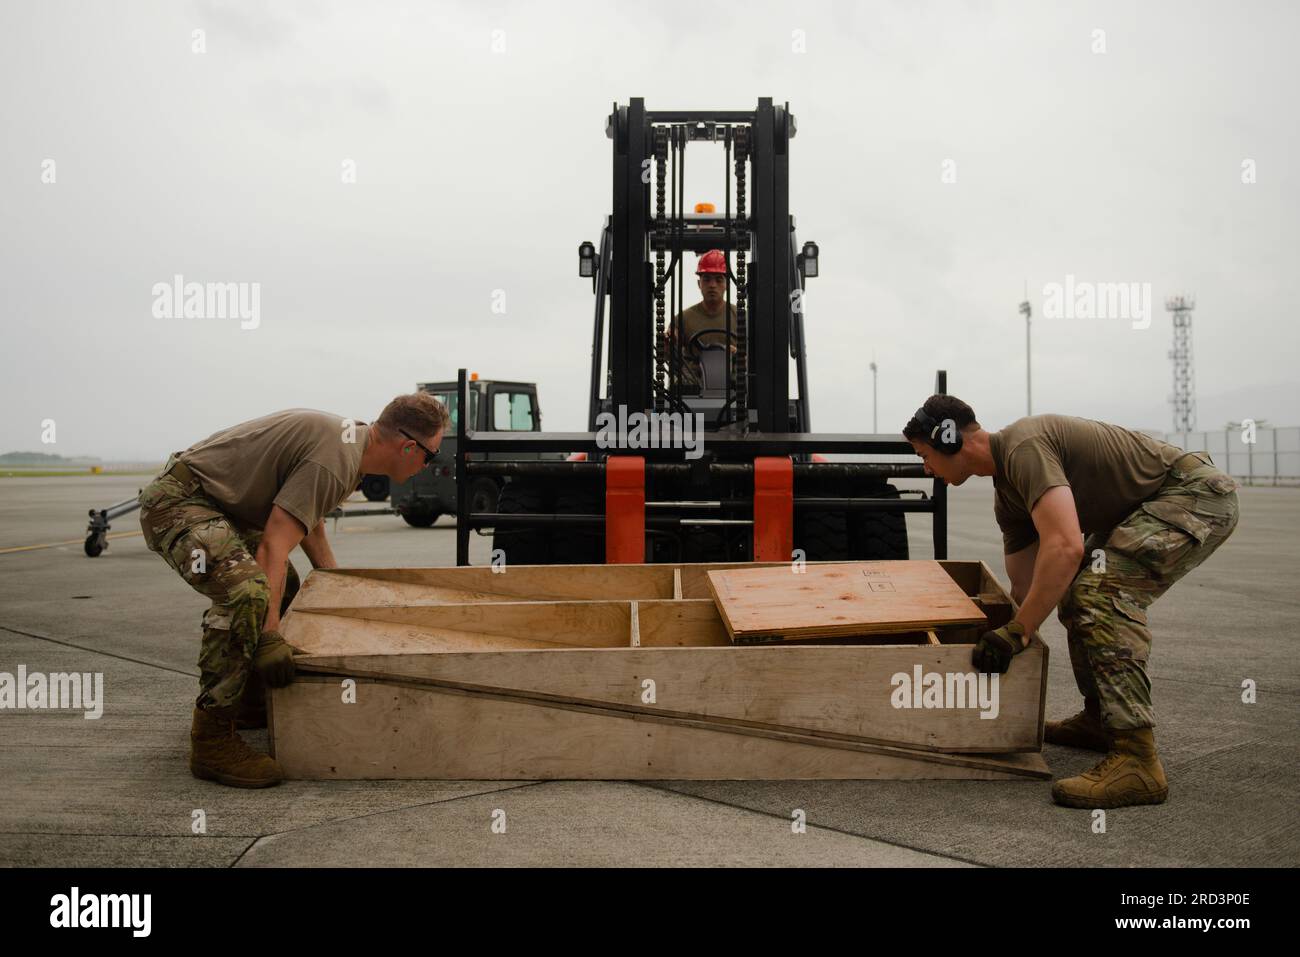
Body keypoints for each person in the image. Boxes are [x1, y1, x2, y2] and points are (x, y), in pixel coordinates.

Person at [903, 395, 1239, 808]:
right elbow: (1028, 589)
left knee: (1099, 593)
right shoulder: (1007, 497)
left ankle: (1138, 760)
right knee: (1071, 592)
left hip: (1195, 494)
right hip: (1142, 508)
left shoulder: (1024, 449)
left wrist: (1019, 632)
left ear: (950, 440)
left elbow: (1064, 547)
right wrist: (1003, 637)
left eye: (925, 456)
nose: (926, 469)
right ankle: (1101, 719)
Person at [138, 393, 448, 788]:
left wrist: (332, 580)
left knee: (286, 591)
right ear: (408, 447)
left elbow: (307, 517)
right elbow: (273, 547)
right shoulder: (337, 458)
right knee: (248, 592)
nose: (428, 465)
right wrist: (269, 637)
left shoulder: (352, 447)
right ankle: (212, 739)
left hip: (219, 507)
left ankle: (249, 705)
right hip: (180, 502)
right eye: (430, 456)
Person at [665, 249, 738, 392]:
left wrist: (737, 353)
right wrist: (668, 346)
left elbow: (756, 356)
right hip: (691, 395)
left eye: (718, 279)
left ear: (727, 284)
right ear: (699, 284)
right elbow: (669, 357)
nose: (712, 285)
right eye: (707, 279)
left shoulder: (742, 317)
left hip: (734, 392)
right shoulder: (682, 319)